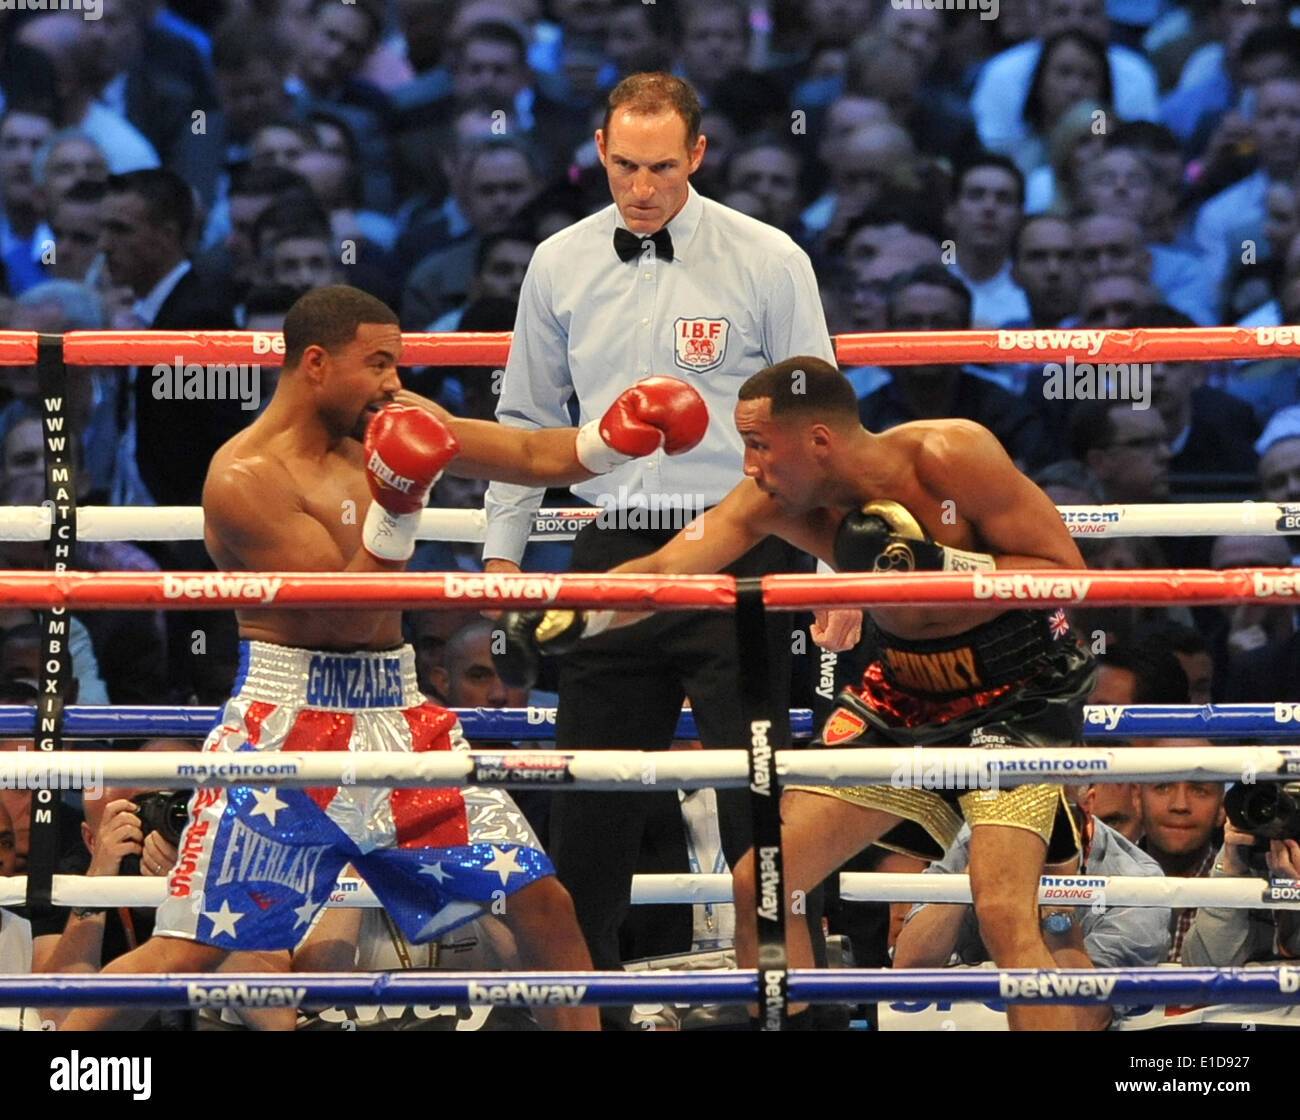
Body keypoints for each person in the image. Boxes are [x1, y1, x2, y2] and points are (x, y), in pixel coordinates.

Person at [59, 283, 712, 1032]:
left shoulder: (394, 424)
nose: (395, 382)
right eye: (377, 363)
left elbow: (530, 452)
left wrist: (614, 437)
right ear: (314, 363)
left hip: (401, 721)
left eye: (396, 363)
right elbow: (345, 614)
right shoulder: (245, 479)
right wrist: (399, 505)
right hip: (286, 730)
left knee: (542, 904)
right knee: (188, 953)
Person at [499, 356, 1098, 1030]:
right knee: (763, 883)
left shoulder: (950, 455)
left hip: (1016, 693)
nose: (749, 465)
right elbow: (667, 568)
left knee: (1002, 914)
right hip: (903, 690)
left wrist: (941, 565)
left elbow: (1068, 577)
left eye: (758, 444)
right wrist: (570, 613)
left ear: (819, 439)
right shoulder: (771, 500)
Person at [481, 73, 837, 1022]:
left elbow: (821, 417)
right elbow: (524, 420)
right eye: (625, 166)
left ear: (699, 156)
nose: (641, 188)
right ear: (599, 149)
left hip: (747, 544)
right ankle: (580, 1013)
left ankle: (794, 1006)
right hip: (613, 551)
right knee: (590, 804)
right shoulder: (557, 262)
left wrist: (836, 564)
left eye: (662, 168)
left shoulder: (767, 257)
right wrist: (503, 562)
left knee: (761, 800)